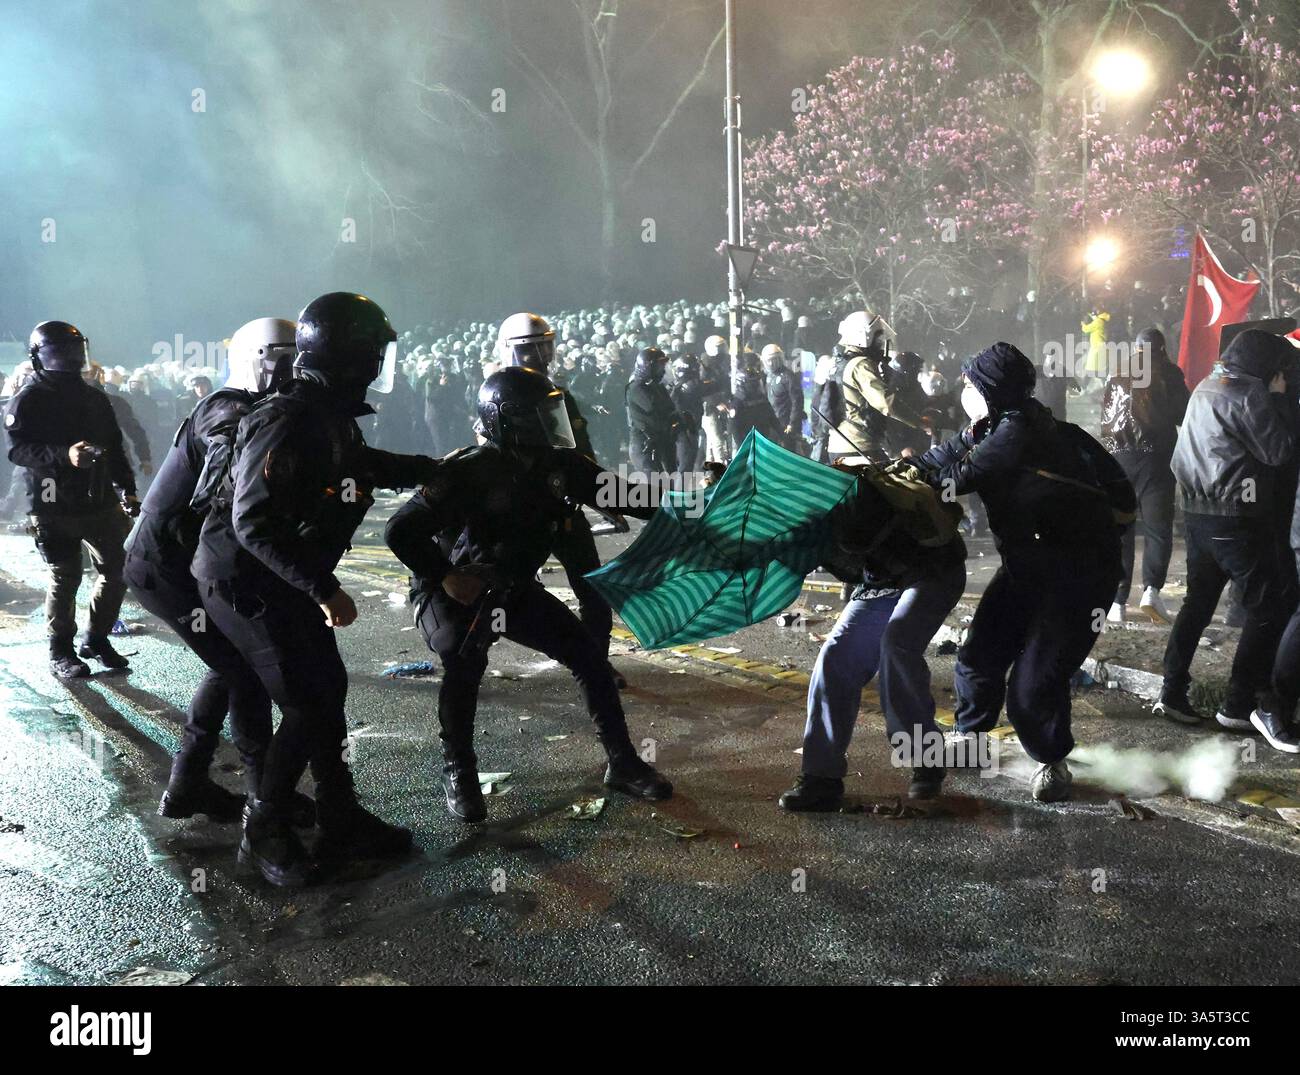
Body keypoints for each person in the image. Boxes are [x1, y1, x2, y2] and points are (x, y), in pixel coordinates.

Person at [192, 292, 438, 886]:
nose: (380, 363)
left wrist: (432, 467)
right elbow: (252, 523)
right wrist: (323, 589)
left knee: (327, 690)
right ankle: (263, 828)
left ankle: (340, 816)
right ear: (349, 355)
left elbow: (360, 465)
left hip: (281, 577)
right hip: (246, 581)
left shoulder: (325, 414)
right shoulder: (288, 417)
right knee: (306, 704)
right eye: (373, 352)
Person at [385, 365, 674, 823]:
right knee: (464, 658)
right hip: (452, 588)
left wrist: (700, 501)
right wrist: (444, 576)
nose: (553, 421)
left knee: (587, 655)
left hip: (509, 585)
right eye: (542, 413)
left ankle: (622, 762)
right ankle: (458, 770)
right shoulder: (470, 468)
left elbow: (629, 498)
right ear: (510, 420)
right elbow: (400, 530)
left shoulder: (559, 466)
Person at [915, 342, 1134, 802]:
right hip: (1027, 566)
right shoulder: (995, 425)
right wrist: (892, 470)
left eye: (971, 384)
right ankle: (972, 740)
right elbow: (941, 458)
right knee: (979, 656)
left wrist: (913, 480)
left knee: (1033, 685)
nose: (964, 391)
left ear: (991, 390)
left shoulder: (1019, 433)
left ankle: (1053, 761)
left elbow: (957, 475)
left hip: (1078, 575)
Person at [126, 318, 306, 824]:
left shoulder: (260, 410)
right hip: (164, 565)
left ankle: (188, 786)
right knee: (241, 669)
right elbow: (225, 471)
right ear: (253, 356)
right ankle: (262, 798)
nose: (288, 367)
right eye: (278, 355)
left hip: (179, 561)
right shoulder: (227, 409)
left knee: (227, 665)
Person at [779, 459, 967, 810]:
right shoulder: (807, 514)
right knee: (835, 659)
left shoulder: (846, 503)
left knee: (897, 645)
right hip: (880, 582)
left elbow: (849, 549)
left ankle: (925, 758)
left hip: (931, 572)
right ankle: (821, 777)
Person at [1156, 329, 1297, 748]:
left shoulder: (1206, 384)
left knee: (1197, 603)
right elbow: (1279, 452)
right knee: (1269, 606)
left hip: (1197, 512)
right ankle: (1239, 704)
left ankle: (1172, 690)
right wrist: (1278, 399)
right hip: (1236, 517)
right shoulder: (1250, 393)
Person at [497, 312, 628, 686]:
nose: (540, 356)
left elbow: (579, 456)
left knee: (593, 592)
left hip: (563, 507)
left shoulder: (558, 395)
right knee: (495, 596)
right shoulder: (499, 393)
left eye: (544, 346)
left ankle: (596, 664)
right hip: (519, 517)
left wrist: (604, 498)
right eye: (529, 350)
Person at [4, 321, 139, 678]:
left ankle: (96, 639)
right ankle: (60, 650)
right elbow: (17, 450)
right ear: (39, 357)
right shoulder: (29, 398)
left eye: (74, 350)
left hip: (100, 501)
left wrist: (128, 488)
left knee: (119, 569)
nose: (69, 358)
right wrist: (65, 455)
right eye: (60, 351)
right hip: (53, 504)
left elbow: (114, 447)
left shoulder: (95, 397)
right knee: (66, 576)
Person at [1099, 328, 1189, 624]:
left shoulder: (1117, 374)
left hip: (1118, 460)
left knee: (1120, 530)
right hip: (1155, 458)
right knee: (1157, 529)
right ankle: (1151, 591)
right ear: (1161, 349)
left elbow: (1106, 416)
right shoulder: (1169, 373)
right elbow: (1182, 413)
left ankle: (1116, 601)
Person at [834, 312, 929, 463]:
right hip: (860, 446)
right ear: (862, 337)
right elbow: (886, 402)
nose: (880, 343)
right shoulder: (861, 365)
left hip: (841, 443)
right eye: (877, 338)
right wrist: (920, 422)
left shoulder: (839, 364)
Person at [625, 346, 679, 474]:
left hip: (662, 440)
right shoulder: (636, 388)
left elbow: (670, 408)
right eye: (659, 366)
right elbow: (655, 406)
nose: (663, 370)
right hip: (645, 444)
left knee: (674, 479)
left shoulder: (657, 386)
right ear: (648, 366)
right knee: (656, 485)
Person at [669, 353, 706, 473]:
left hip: (681, 429)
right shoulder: (690, 386)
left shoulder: (678, 386)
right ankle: (679, 491)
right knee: (685, 467)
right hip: (686, 430)